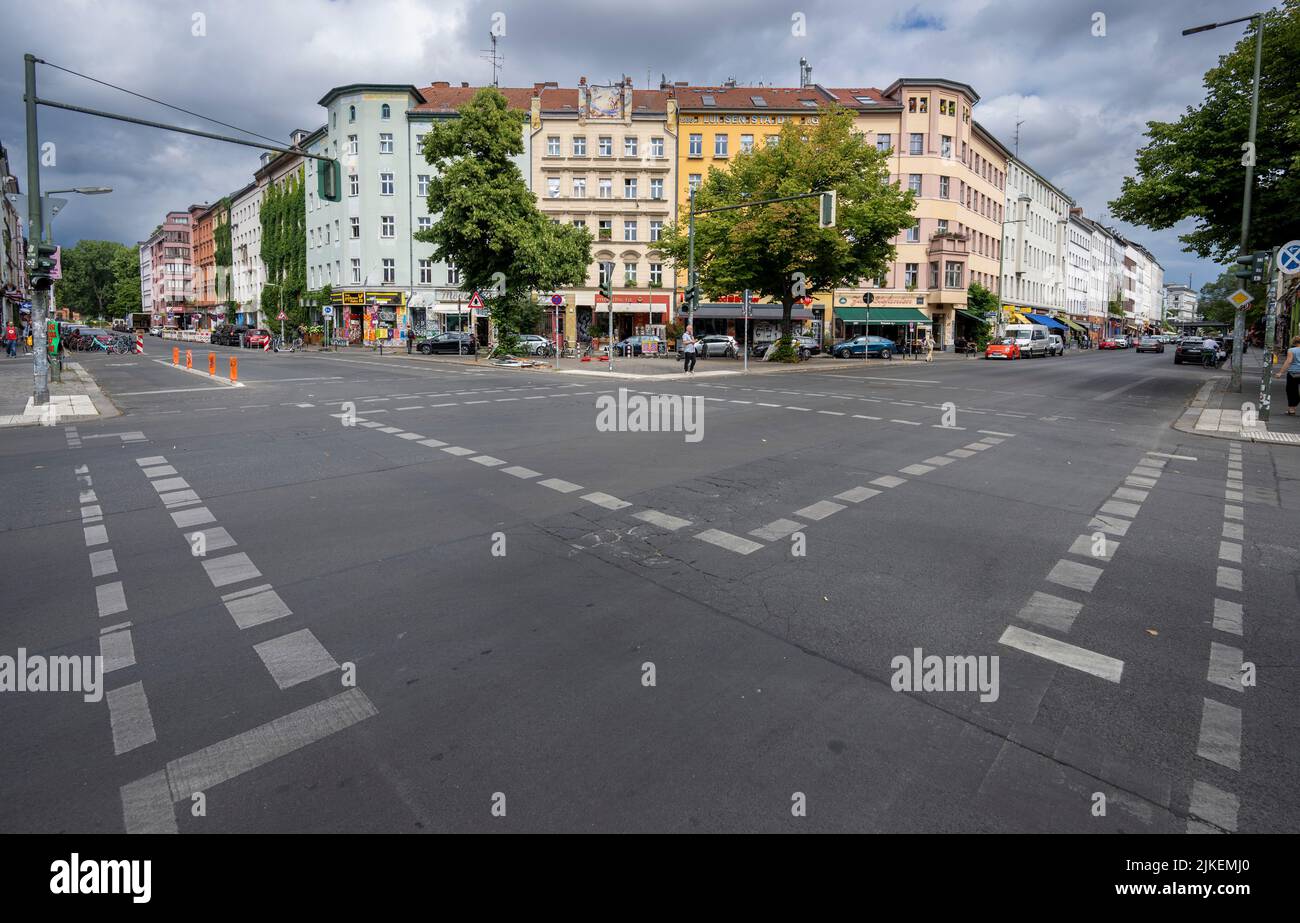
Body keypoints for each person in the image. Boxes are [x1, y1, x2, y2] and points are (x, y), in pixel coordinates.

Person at [1275, 336, 1300, 416]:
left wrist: (1280, 372)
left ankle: (1291, 410)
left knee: (1291, 390)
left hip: (1293, 373)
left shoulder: (1291, 350)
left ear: (1294, 342)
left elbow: (1288, 361)